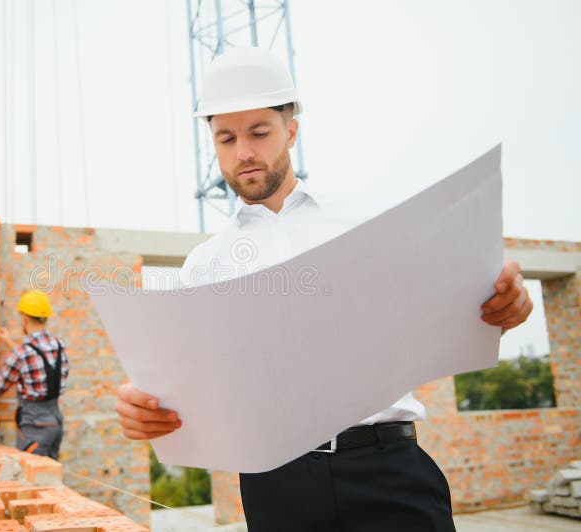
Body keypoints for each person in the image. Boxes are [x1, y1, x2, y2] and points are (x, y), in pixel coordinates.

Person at [115, 47, 533, 531]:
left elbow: (457, 307)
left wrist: (508, 304)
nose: (243, 152)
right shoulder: (204, 266)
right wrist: (140, 402)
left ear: (292, 129)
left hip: (387, 470)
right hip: (277, 486)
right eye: (225, 138)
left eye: (258, 132)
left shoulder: (366, 222)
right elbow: (184, 379)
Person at [0, 289, 69, 460]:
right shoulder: (59, 345)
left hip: (35, 427)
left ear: (24, 318)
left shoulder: (22, 353)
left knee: (32, 479)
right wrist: (9, 343)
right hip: (55, 423)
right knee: (50, 478)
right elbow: (38, 363)